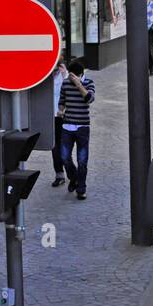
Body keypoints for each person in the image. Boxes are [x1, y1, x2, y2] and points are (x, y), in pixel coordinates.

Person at [58, 59, 95, 201]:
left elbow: (89, 99)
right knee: (65, 157)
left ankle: (81, 189)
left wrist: (79, 85)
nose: (70, 78)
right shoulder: (66, 83)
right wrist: (60, 111)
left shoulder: (89, 83)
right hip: (67, 126)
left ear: (80, 74)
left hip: (83, 127)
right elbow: (62, 101)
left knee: (82, 160)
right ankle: (74, 178)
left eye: (73, 75)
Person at [50, 56, 68, 187]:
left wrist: (64, 74)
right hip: (51, 116)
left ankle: (72, 173)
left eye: (56, 69)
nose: (54, 71)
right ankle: (59, 174)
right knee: (54, 146)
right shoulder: (46, 79)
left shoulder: (65, 78)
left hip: (64, 116)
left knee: (65, 145)